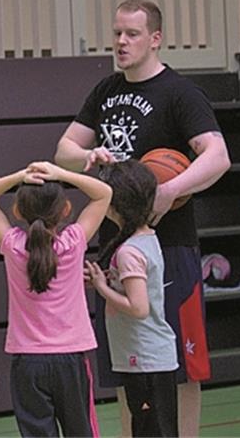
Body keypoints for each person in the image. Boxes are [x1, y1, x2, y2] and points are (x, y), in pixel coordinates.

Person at [55, 0, 230, 438]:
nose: (120, 41)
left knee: (181, 365)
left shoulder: (180, 93)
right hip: (114, 245)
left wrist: (169, 190)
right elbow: (63, 152)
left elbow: (219, 156)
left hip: (168, 246)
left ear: (155, 39)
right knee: (125, 359)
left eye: (131, 33)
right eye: (116, 32)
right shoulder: (106, 91)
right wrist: (87, 155)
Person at [0, 161, 112, 437]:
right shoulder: (73, 241)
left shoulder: (14, 246)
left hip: (28, 363)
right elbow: (104, 193)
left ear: (16, 211)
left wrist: (20, 175)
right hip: (70, 359)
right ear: (66, 210)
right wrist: (60, 174)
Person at [85, 160, 179, 436]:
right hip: (149, 356)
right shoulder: (147, 238)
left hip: (145, 358)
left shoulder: (129, 252)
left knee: (151, 430)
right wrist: (108, 279)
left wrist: (103, 287)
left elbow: (138, 308)